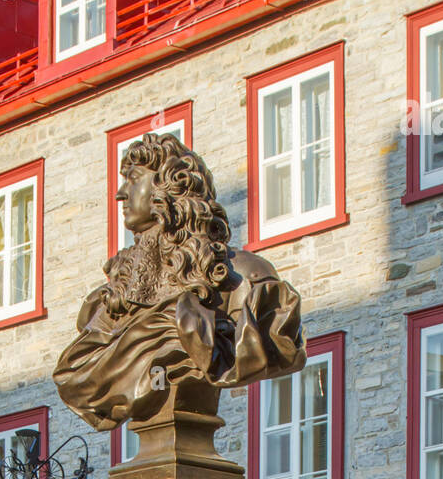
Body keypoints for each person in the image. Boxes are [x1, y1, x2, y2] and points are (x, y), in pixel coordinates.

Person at [53, 132, 307, 434]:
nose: (121, 193)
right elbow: (73, 375)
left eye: (134, 178)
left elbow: (273, 350)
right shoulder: (113, 296)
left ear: (167, 185)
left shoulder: (245, 281)